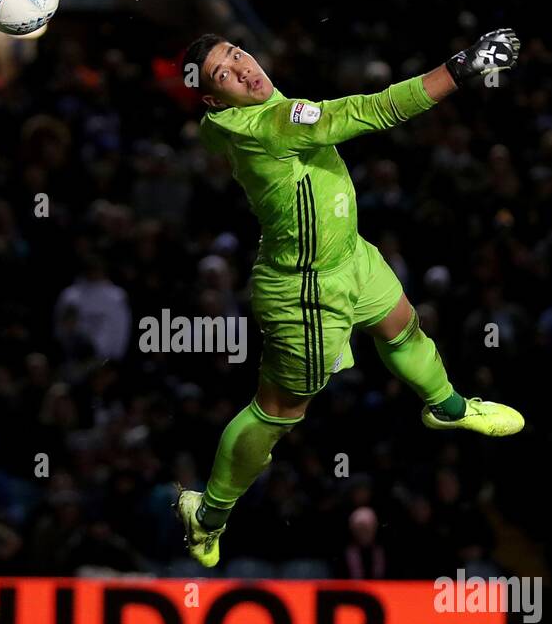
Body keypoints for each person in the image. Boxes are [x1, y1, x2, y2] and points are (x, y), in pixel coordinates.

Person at [175, 31, 526, 566]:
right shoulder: (271, 124)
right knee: (279, 412)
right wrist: (459, 69)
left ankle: (449, 408)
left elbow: (224, 128)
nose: (243, 70)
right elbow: (373, 110)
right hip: (306, 290)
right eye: (224, 74)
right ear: (214, 99)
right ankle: (208, 515)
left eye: (237, 54)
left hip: (348, 255)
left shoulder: (224, 122)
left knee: (402, 325)